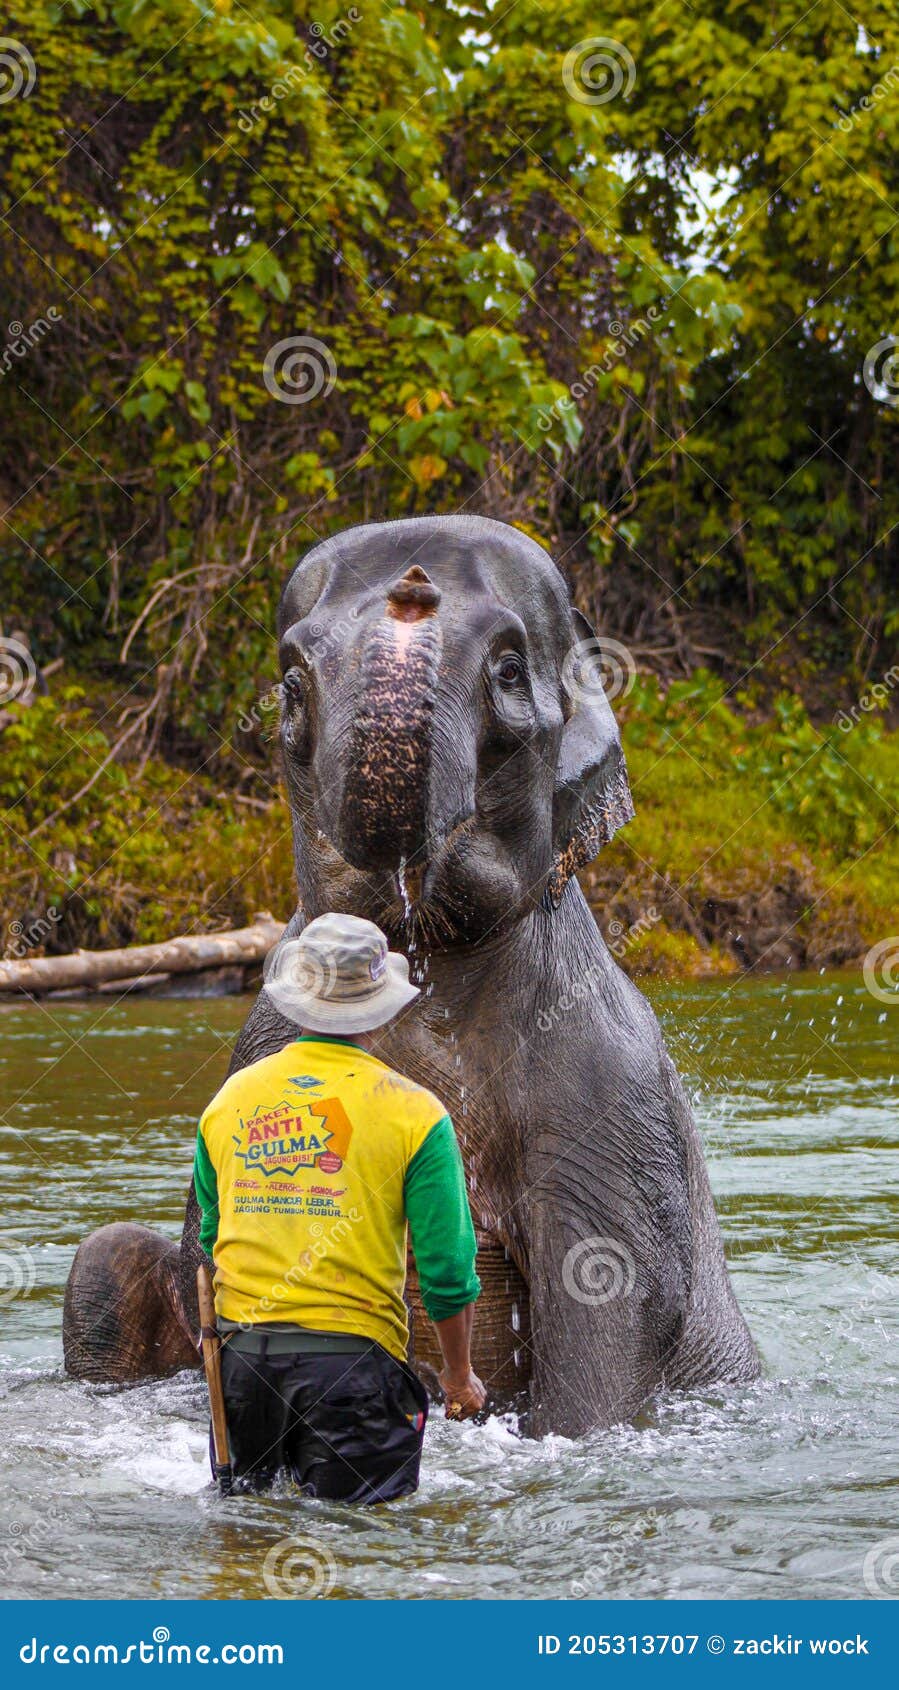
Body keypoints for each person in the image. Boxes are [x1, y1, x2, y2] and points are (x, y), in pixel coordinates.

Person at [192, 911, 485, 1503]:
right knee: (362, 1555)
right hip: (353, 1374)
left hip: (242, 1369)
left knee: (248, 1543)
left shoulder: (229, 1100)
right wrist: (458, 1379)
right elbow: (447, 1273)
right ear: (383, 1005)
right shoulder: (416, 1113)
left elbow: (210, 1239)